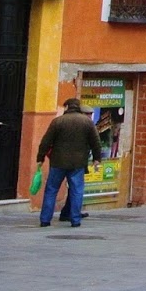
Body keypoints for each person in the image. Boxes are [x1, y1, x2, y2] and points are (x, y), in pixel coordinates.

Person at [36, 98, 100, 228]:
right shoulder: (87, 122)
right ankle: (75, 220)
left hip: (58, 162)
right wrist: (96, 159)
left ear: (67, 107)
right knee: (77, 190)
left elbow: (46, 142)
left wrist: (40, 158)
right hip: (78, 163)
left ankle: (45, 220)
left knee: (51, 190)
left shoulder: (57, 122)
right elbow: (96, 142)